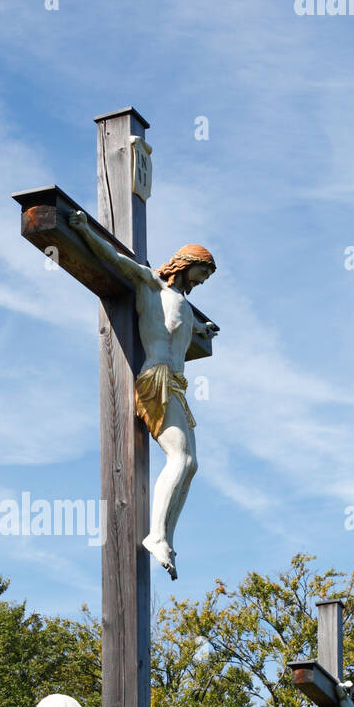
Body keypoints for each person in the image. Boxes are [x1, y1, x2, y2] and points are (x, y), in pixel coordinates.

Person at [69, 209, 217, 579]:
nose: (202, 282)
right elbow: (113, 259)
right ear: (187, 264)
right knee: (180, 460)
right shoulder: (151, 284)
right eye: (203, 273)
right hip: (155, 378)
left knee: (191, 464)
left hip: (176, 386)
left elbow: (188, 325)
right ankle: (157, 536)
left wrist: (204, 331)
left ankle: (164, 534)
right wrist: (84, 230)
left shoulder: (185, 305)